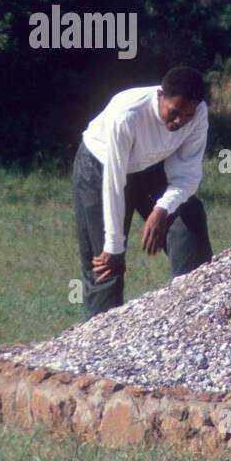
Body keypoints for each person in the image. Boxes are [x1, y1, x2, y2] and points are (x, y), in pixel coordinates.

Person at [72, 66, 214, 320]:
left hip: (149, 167)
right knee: (106, 265)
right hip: (100, 169)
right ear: (160, 96)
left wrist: (162, 209)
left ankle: (196, 311)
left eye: (186, 115)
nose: (179, 121)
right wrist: (115, 246)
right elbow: (114, 181)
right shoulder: (127, 113)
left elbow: (187, 175)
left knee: (188, 215)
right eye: (173, 112)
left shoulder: (199, 114)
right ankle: (99, 344)